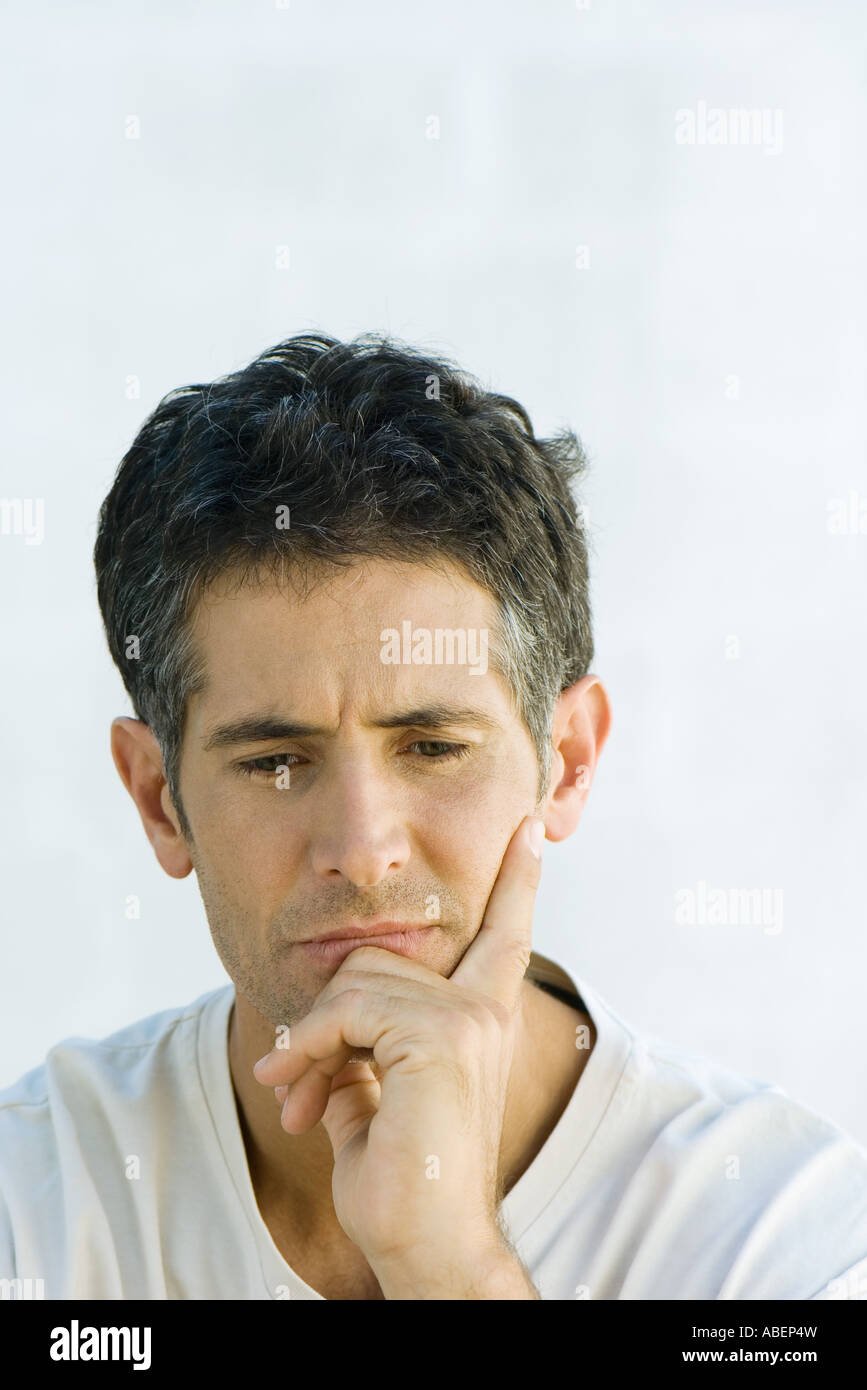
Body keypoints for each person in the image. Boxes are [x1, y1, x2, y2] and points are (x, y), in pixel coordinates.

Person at [1, 332, 865, 1301]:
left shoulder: (786, 1239)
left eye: (433, 747)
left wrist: (451, 1266)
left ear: (568, 760)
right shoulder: (32, 1205)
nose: (363, 853)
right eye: (276, 761)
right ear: (160, 800)